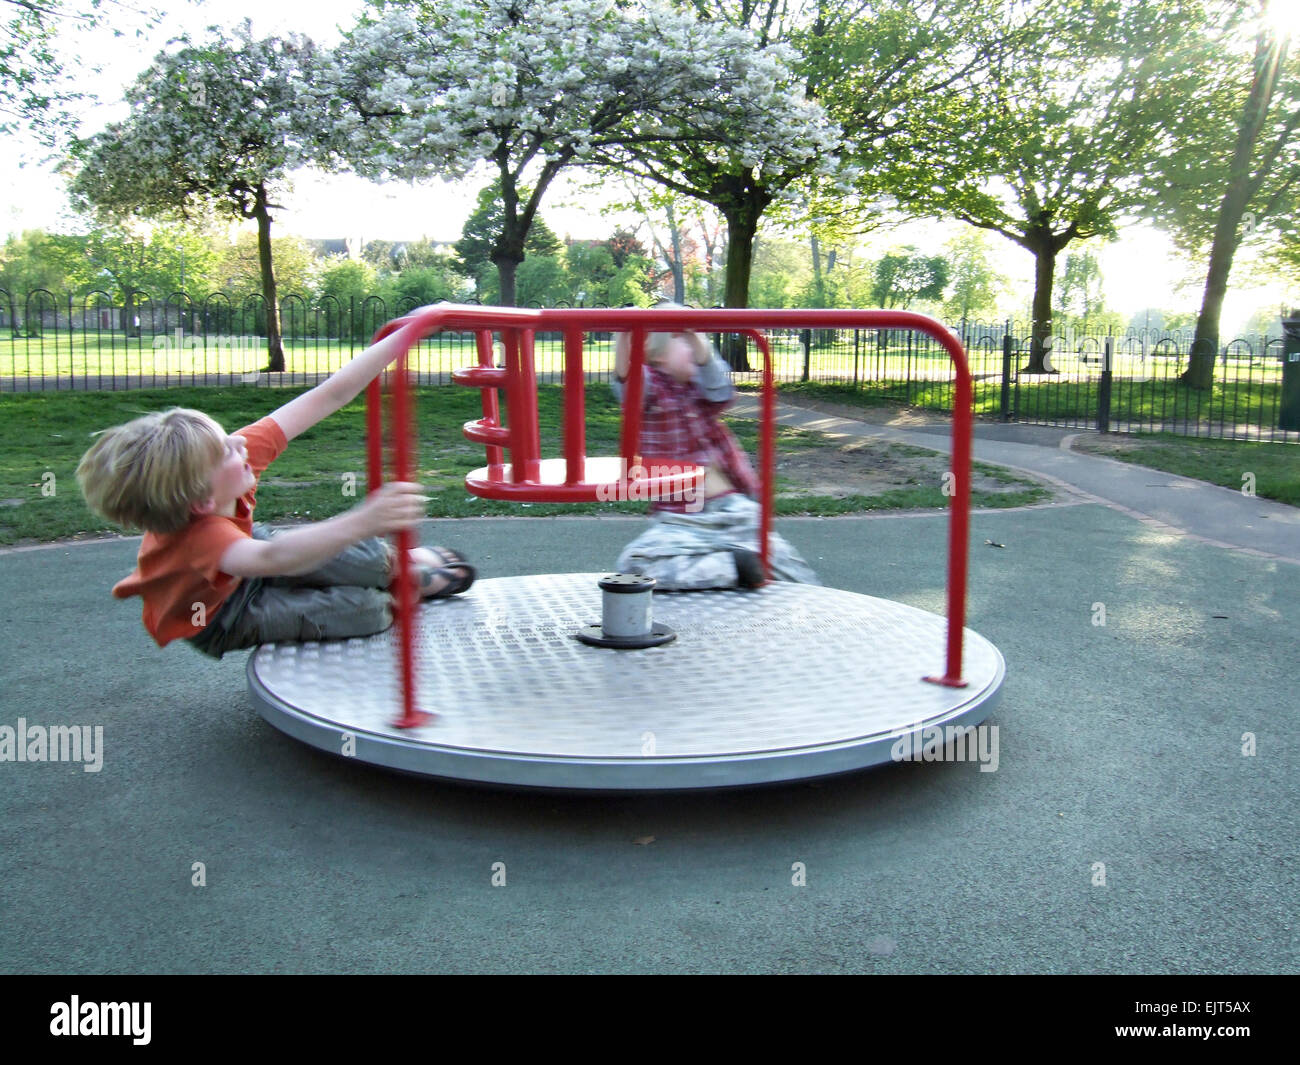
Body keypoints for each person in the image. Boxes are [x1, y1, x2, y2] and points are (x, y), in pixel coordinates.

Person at [76, 329, 474, 659]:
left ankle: (394, 566)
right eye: (225, 449)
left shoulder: (229, 463)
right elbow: (272, 558)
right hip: (222, 614)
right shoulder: (203, 536)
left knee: (365, 558)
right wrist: (364, 519)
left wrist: (407, 334)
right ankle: (400, 591)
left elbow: (333, 393)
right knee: (364, 610)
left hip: (245, 553)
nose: (239, 442)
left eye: (225, 434)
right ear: (201, 502)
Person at [610, 304, 819, 590]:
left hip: (733, 507)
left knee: (790, 569)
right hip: (679, 518)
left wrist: (695, 339)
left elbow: (720, 385)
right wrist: (627, 334)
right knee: (634, 566)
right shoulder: (650, 391)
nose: (696, 347)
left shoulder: (700, 389)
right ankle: (732, 566)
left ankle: (751, 568)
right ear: (658, 354)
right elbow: (627, 379)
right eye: (682, 339)